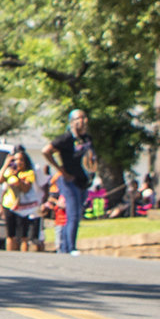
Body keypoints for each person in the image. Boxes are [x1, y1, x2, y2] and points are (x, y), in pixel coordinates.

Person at [47, 110, 95, 256]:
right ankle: (69, 248)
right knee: (72, 214)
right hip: (69, 180)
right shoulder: (66, 138)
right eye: (79, 118)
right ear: (72, 121)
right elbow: (46, 151)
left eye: (84, 117)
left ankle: (69, 246)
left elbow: (89, 157)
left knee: (78, 213)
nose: (83, 121)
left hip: (83, 181)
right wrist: (61, 170)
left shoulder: (86, 138)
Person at [0, 145, 44, 252]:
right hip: (9, 204)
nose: (18, 162)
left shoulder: (29, 173)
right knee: (10, 234)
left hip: (23, 207)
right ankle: (10, 254)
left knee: (23, 235)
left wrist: (18, 179)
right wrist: (6, 164)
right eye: (15, 160)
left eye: (20, 160)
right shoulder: (9, 171)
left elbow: (26, 189)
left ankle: (22, 254)